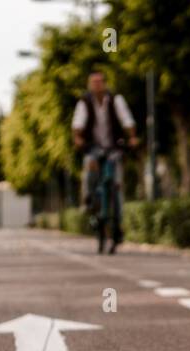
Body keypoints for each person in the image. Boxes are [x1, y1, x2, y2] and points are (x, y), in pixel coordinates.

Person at [71, 70, 138, 250]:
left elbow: (127, 119)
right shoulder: (84, 102)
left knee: (116, 183)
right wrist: (78, 139)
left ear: (105, 83)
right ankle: (89, 201)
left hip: (114, 147)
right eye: (94, 82)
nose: (97, 85)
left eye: (100, 81)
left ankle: (118, 222)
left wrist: (132, 137)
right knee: (90, 168)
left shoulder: (116, 99)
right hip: (94, 147)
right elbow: (78, 124)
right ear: (89, 85)